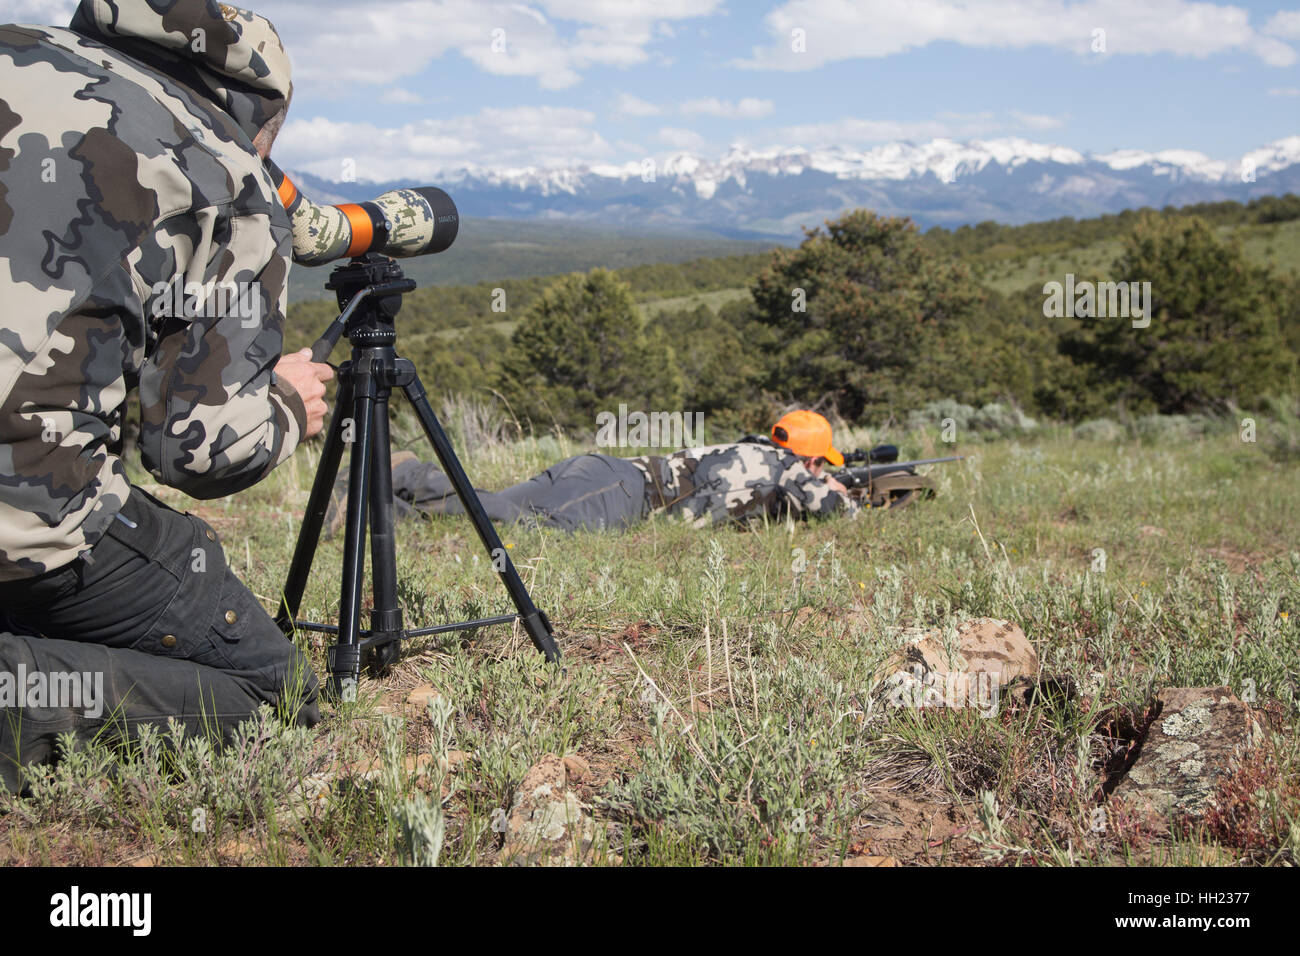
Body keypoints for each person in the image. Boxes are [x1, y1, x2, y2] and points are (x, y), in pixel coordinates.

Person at [0, 0, 335, 793]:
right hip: (25, 509)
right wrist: (286, 401)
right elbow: (194, 452)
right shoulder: (224, 168)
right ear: (261, 105)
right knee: (272, 695)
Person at [335, 410, 860, 535]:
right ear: (812, 460)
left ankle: (384, 488)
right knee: (504, 517)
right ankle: (392, 487)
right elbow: (833, 510)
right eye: (822, 464)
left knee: (500, 507)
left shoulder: (758, 451)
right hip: (622, 495)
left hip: (606, 472)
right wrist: (842, 490)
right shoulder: (792, 469)